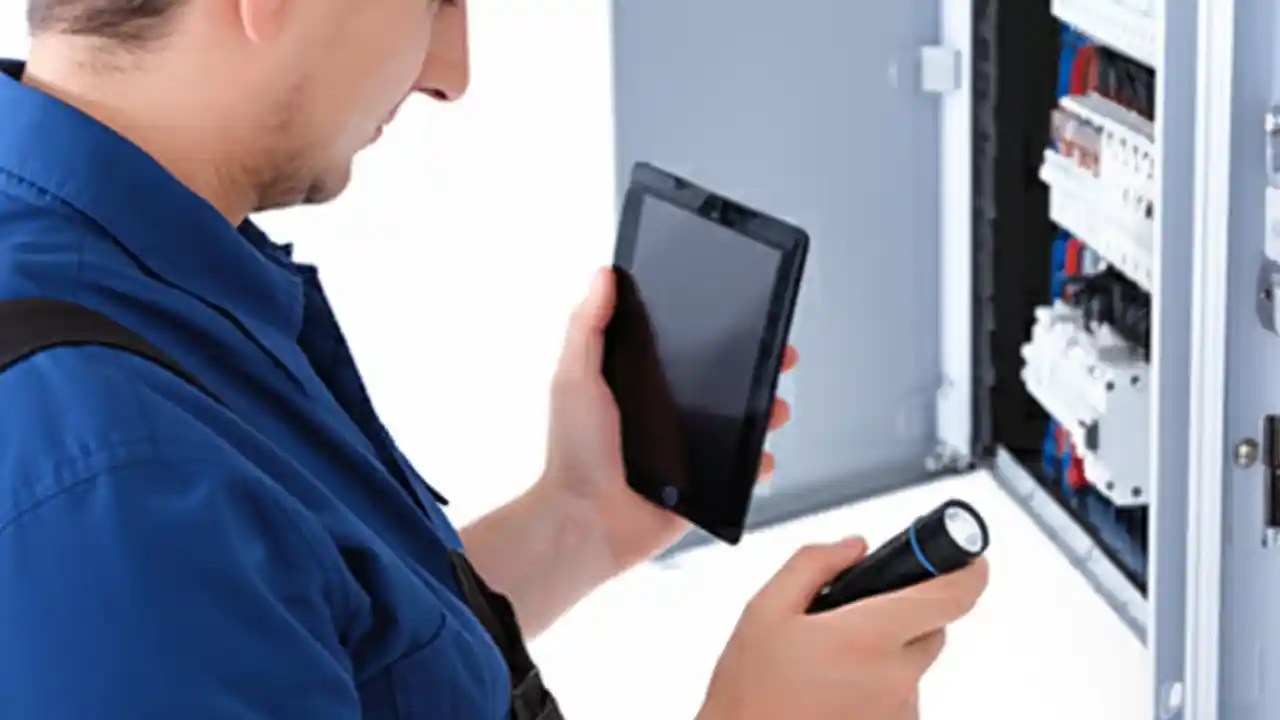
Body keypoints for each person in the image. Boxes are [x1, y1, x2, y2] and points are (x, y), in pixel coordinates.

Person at [0, 1, 990, 718]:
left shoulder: (110, 264)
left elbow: (315, 633)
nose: (451, 70)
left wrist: (576, 519)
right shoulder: (113, 490)